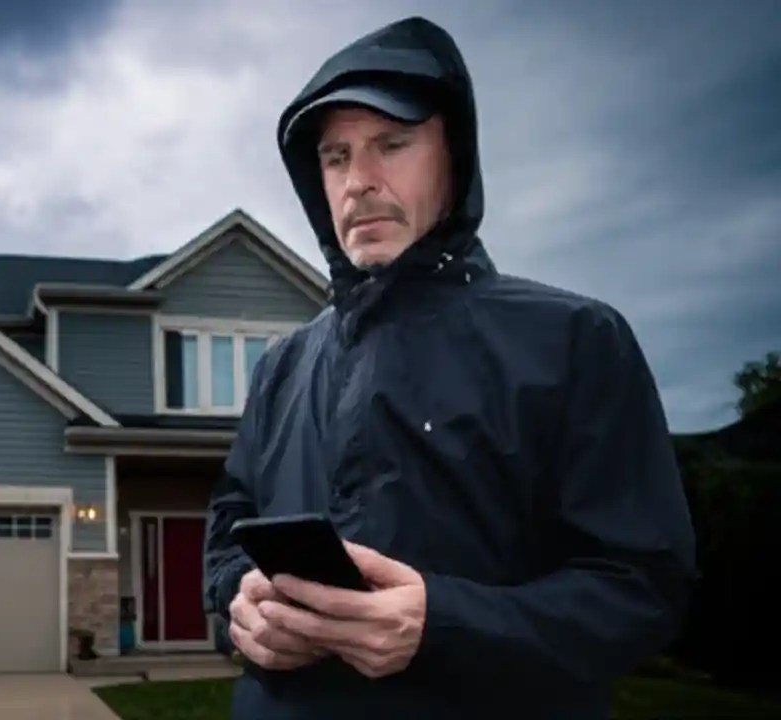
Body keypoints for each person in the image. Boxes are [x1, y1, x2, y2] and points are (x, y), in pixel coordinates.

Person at [202, 15, 698, 719]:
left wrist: (442, 625)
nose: (358, 183)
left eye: (392, 145)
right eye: (337, 157)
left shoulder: (575, 339)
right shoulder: (281, 366)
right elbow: (229, 528)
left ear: (454, 157)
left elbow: (642, 588)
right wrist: (240, 605)